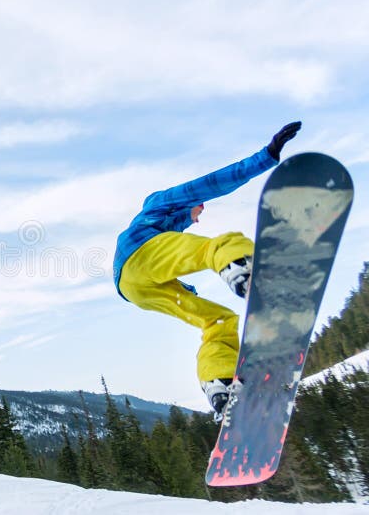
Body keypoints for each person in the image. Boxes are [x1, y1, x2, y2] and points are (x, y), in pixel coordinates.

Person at [112, 122, 302, 421]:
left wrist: (187, 293)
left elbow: (167, 266)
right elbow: (213, 183)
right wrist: (265, 157)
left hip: (134, 289)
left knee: (218, 320)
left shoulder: (166, 233)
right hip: (139, 251)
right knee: (221, 245)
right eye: (199, 212)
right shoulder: (160, 206)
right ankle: (243, 270)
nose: (199, 218)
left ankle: (221, 385)